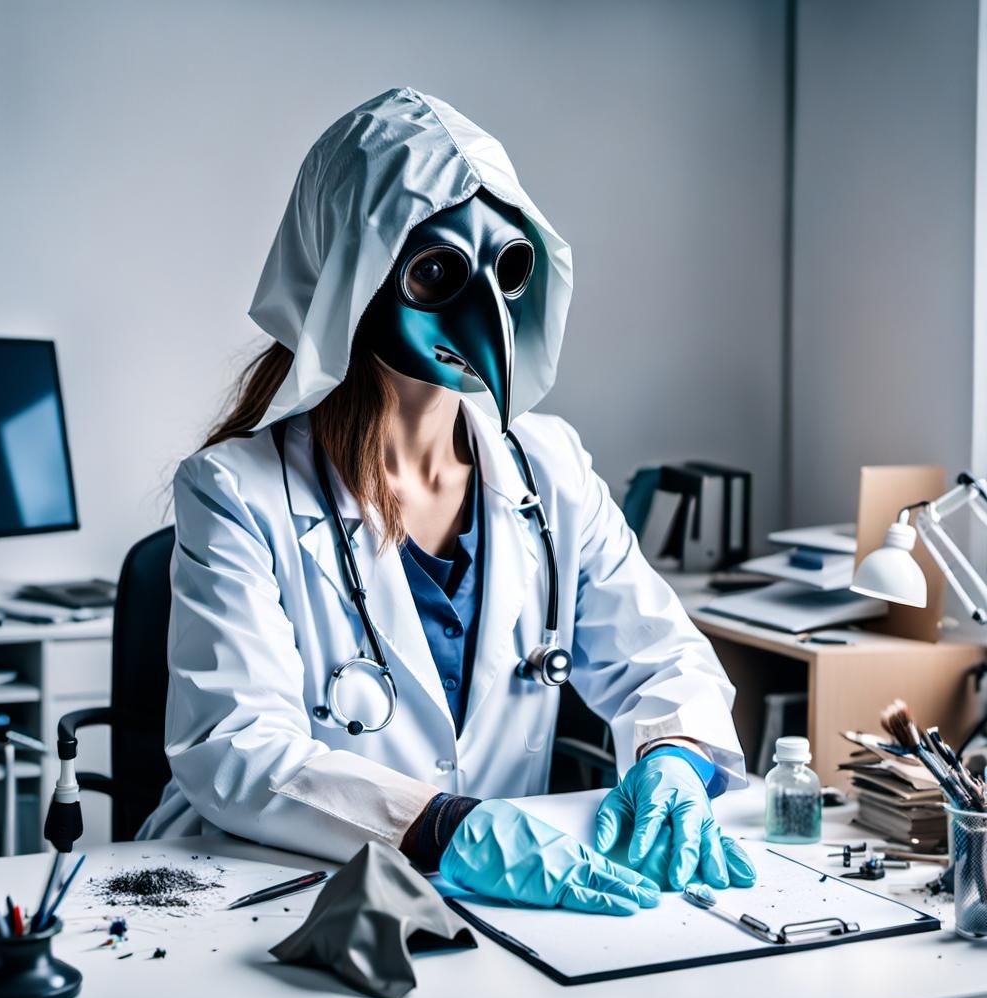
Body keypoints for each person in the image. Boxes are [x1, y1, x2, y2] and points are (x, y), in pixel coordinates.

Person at [139, 87, 755, 915]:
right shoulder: (238, 492)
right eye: (436, 271)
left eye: (506, 267)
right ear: (351, 277)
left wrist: (674, 755)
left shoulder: (550, 468)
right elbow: (237, 750)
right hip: (273, 897)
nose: (488, 311)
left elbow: (665, 660)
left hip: (493, 912)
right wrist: (444, 827)